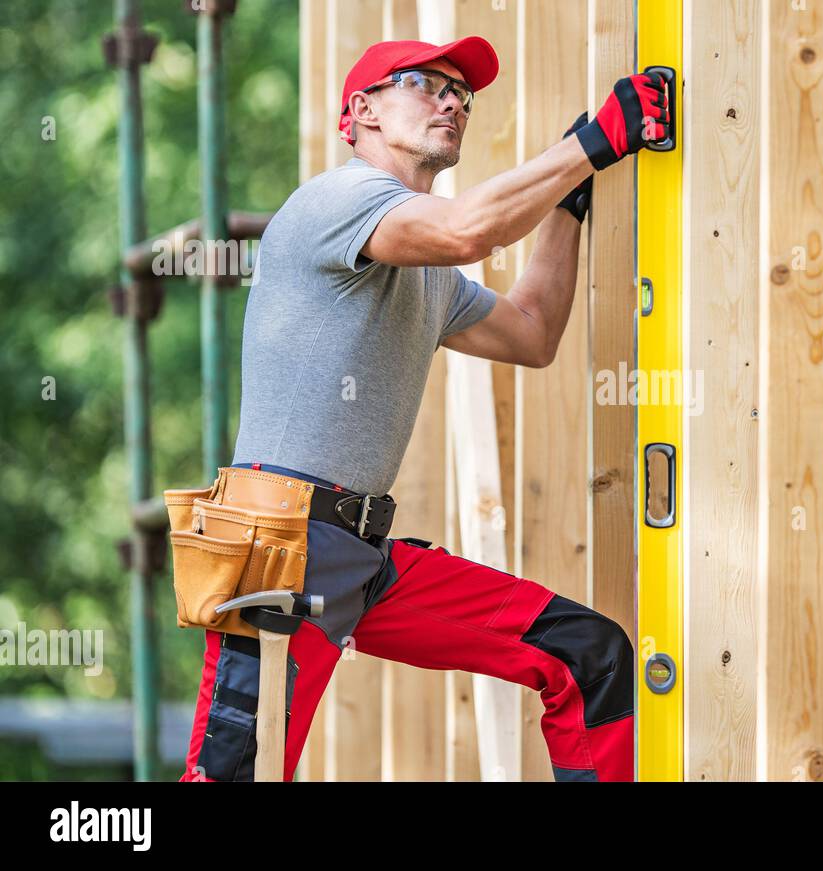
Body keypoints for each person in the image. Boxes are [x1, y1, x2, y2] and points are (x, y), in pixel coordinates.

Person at [177, 35, 670, 782]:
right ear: (361, 113)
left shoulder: (428, 271)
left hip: (365, 560)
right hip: (283, 555)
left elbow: (534, 334)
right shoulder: (337, 201)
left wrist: (566, 207)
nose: (451, 100)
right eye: (424, 83)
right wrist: (590, 146)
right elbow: (467, 228)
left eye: (462, 94)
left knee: (586, 652)